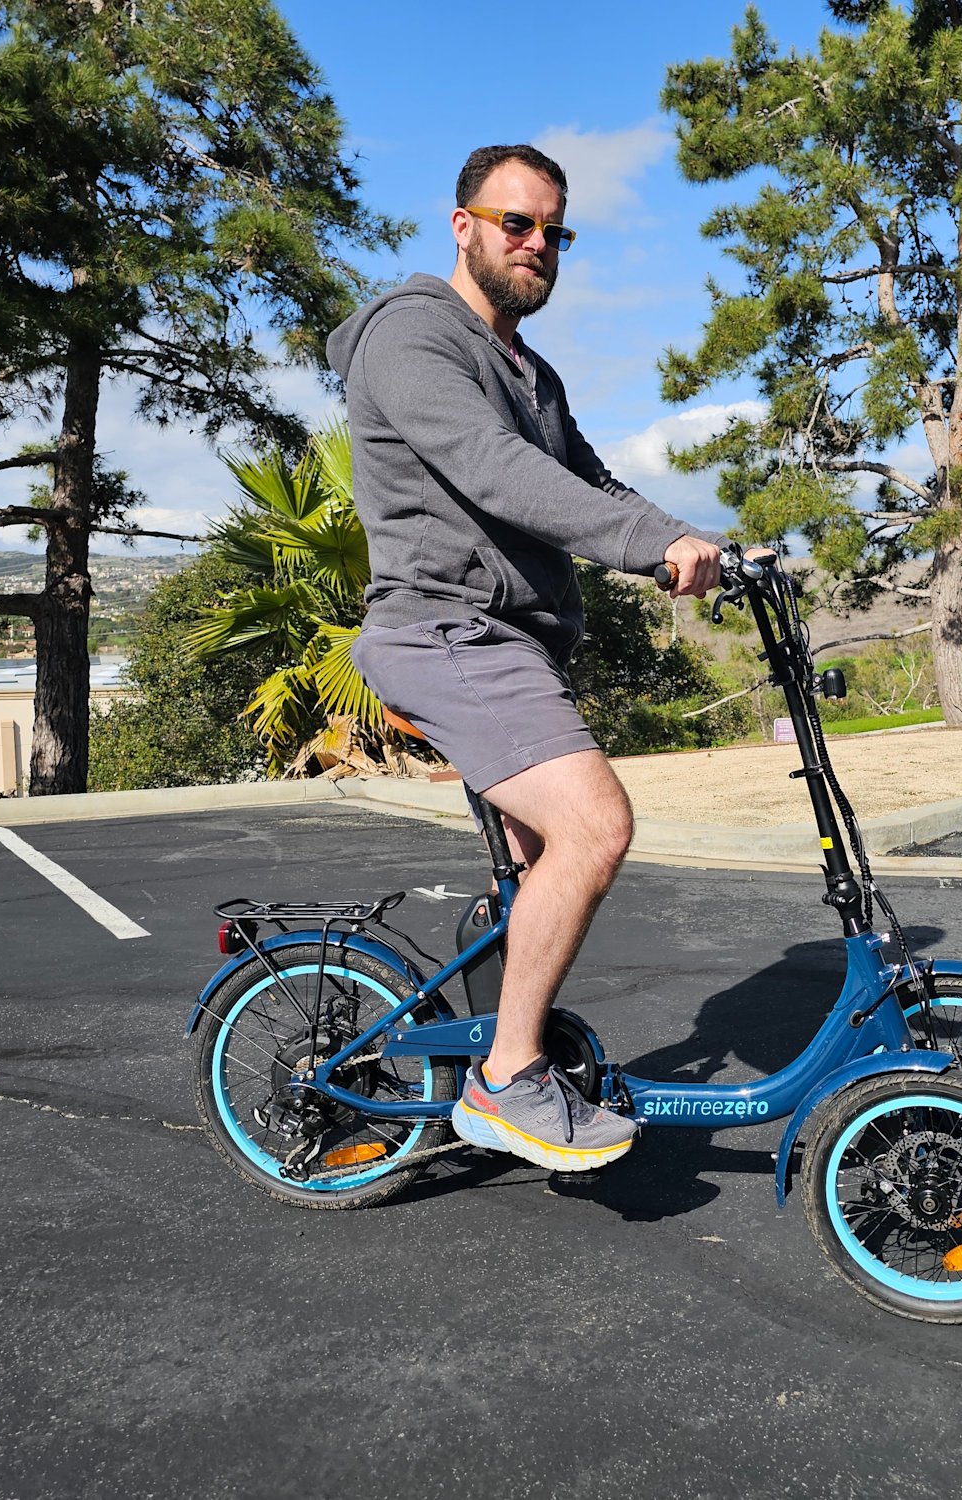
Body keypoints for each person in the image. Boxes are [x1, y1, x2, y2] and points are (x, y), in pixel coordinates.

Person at [325, 143, 725, 1172]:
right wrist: (650, 549)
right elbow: (494, 473)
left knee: (537, 866)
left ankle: (500, 1035)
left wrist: (704, 540)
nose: (537, 244)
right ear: (463, 226)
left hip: (506, 641)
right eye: (517, 223)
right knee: (595, 825)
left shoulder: (529, 371)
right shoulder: (412, 337)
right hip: (444, 629)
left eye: (554, 231)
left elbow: (593, 484)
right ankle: (507, 1080)